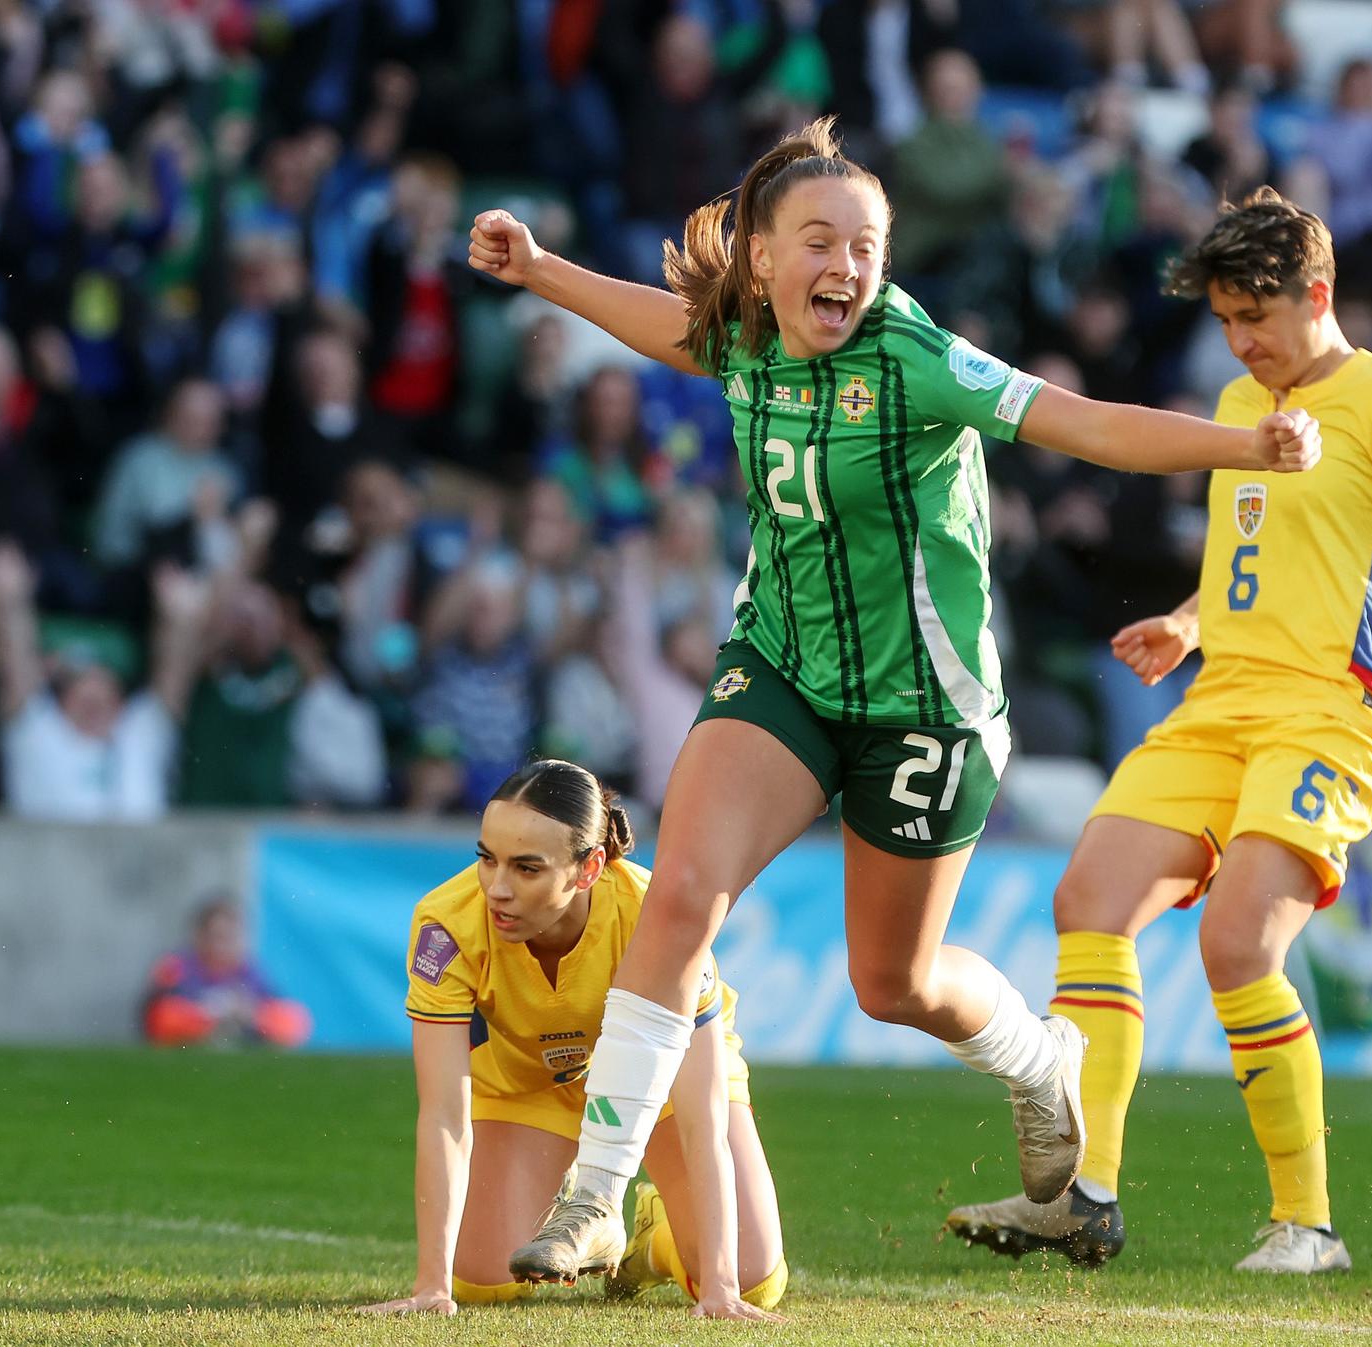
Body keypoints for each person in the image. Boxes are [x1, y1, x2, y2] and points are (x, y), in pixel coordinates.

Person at [463, 118, 1321, 1310]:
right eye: (821, 241)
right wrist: (541, 269)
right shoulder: (743, 333)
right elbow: (669, 328)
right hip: (783, 669)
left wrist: (1244, 445)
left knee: (894, 982)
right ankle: (596, 1198)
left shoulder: (914, 356)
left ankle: (1042, 1063)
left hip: (928, 706)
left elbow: (1079, 420)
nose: (849, 267)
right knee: (677, 900)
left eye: (866, 245)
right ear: (761, 257)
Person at [945, 187, 1372, 1274]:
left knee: (1235, 940)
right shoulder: (1245, 400)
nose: (1241, 340)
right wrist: (1188, 624)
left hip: (1332, 714)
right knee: (1088, 898)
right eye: (1228, 321)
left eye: (1257, 315)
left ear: (1317, 295)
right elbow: (1268, 553)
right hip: (1220, 702)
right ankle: (1084, 1192)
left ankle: (1308, 1225)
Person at [358, 760, 787, 1318]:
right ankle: (584, 1209)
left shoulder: (657, 915)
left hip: (658, 1090)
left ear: (590, 868)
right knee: (482, 1282)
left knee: (754, 1280)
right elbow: (443, 1113)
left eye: (527, 868)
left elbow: (703, 1112)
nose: (498, 889)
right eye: (487, 859)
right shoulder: (445, 924)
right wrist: (431, 1284)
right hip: (525, 1091)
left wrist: (720, 1286)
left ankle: (651, 1237)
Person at [143, 897, 312, 1049]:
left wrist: (250, 1015)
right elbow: (158, 1020)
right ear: (200, 936)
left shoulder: (250, 972)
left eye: (229, 937)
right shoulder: (177, 968)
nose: (221, 946)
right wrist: (205, 1014)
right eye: (216, 936)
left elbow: (291, 1023)